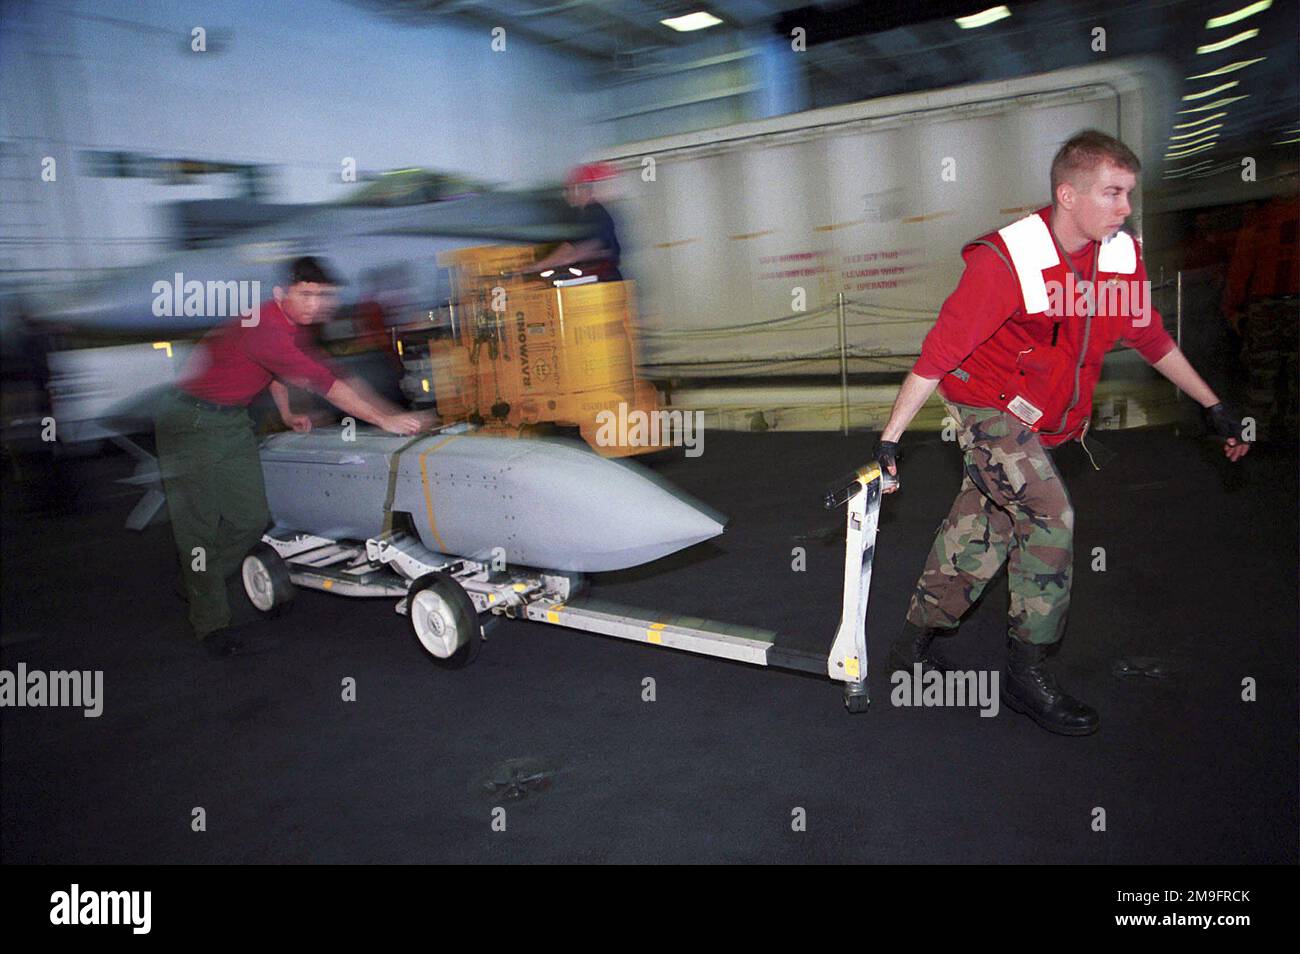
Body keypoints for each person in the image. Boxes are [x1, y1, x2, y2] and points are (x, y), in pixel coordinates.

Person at [874, 130, 1250, 736]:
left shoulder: (1121, 254)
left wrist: (1214, 405)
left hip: (1048, 425)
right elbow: (938, 354)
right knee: (1050, 516)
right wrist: (890, 438)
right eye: (1112, 193)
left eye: (1129, 193)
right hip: (987, 406)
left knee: (983, 530)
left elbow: (1148, 336)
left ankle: (911, 644)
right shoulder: (1008, 259)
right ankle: (1028, 673)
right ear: (1067, 194)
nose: (1126, 207)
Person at [154, 256, 433, 656]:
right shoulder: (263, 326)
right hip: (188, 422)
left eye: (322, 296)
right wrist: (386, 421)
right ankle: (210, 621)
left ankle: (201, 577)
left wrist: (287, 412)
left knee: (250, 519)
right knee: (197, 524)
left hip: (230, 421)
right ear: (282, 294)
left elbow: (304, 371)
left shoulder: (291, 326)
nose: (315, 304)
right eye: (306, 294)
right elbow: (327, 384)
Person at [531, 162, 623, 281]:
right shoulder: (586, 214)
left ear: (582, 189)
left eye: (570, 188)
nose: (567, 194)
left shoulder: (595, 213)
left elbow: (579, 249)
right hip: (598, 277)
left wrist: (540, 265)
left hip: (602, 280)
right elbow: (571, 245)